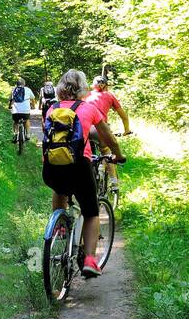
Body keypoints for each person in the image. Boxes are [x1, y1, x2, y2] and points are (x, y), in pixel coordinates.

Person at [41, 69, 125, 278]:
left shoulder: (51, 109)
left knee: (60, 188)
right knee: (91, 211)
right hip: (79, 167)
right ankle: (89, 259)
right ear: (82, 89)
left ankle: (59, 228)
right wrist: (118, 155)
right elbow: (109, 138)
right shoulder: (89, 108)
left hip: (50, 169)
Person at [86, 75, 132, 192]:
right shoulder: (110, 95)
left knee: (86, 153)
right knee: (107, 153)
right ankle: (114, 184)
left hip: (85, 128)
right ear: (105, 86)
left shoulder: (87, 95)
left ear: (93, 85)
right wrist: (126, 130)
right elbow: (124, 116)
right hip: (100, 129)